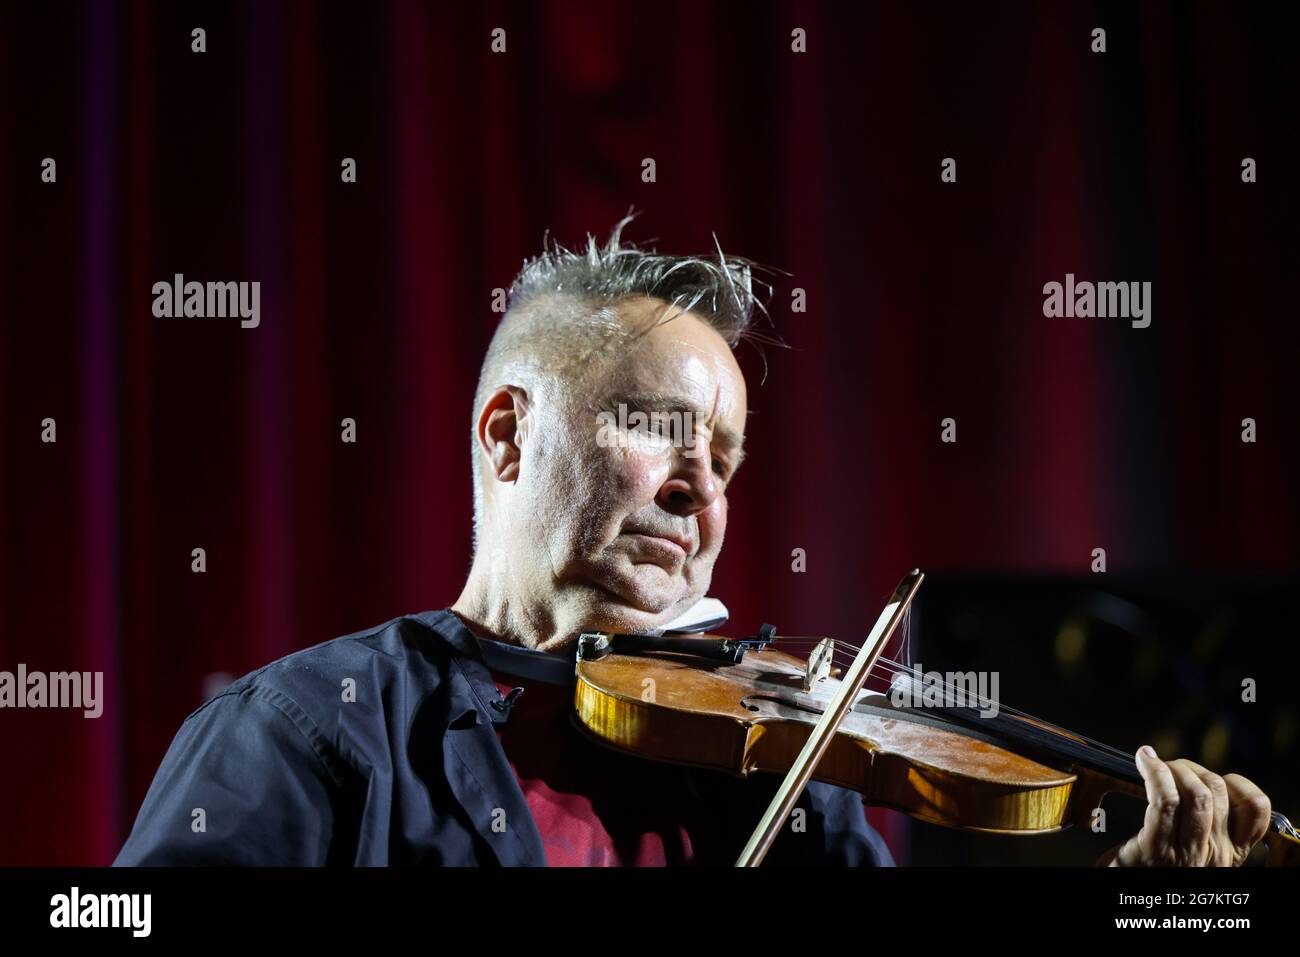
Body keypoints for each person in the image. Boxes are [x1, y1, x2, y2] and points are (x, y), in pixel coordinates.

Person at [114, 215, 1271, 867]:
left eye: (722, 461)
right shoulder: (308, 737)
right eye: (661, 431)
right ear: (509, 435)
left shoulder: (791, 789)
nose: (698, 493)